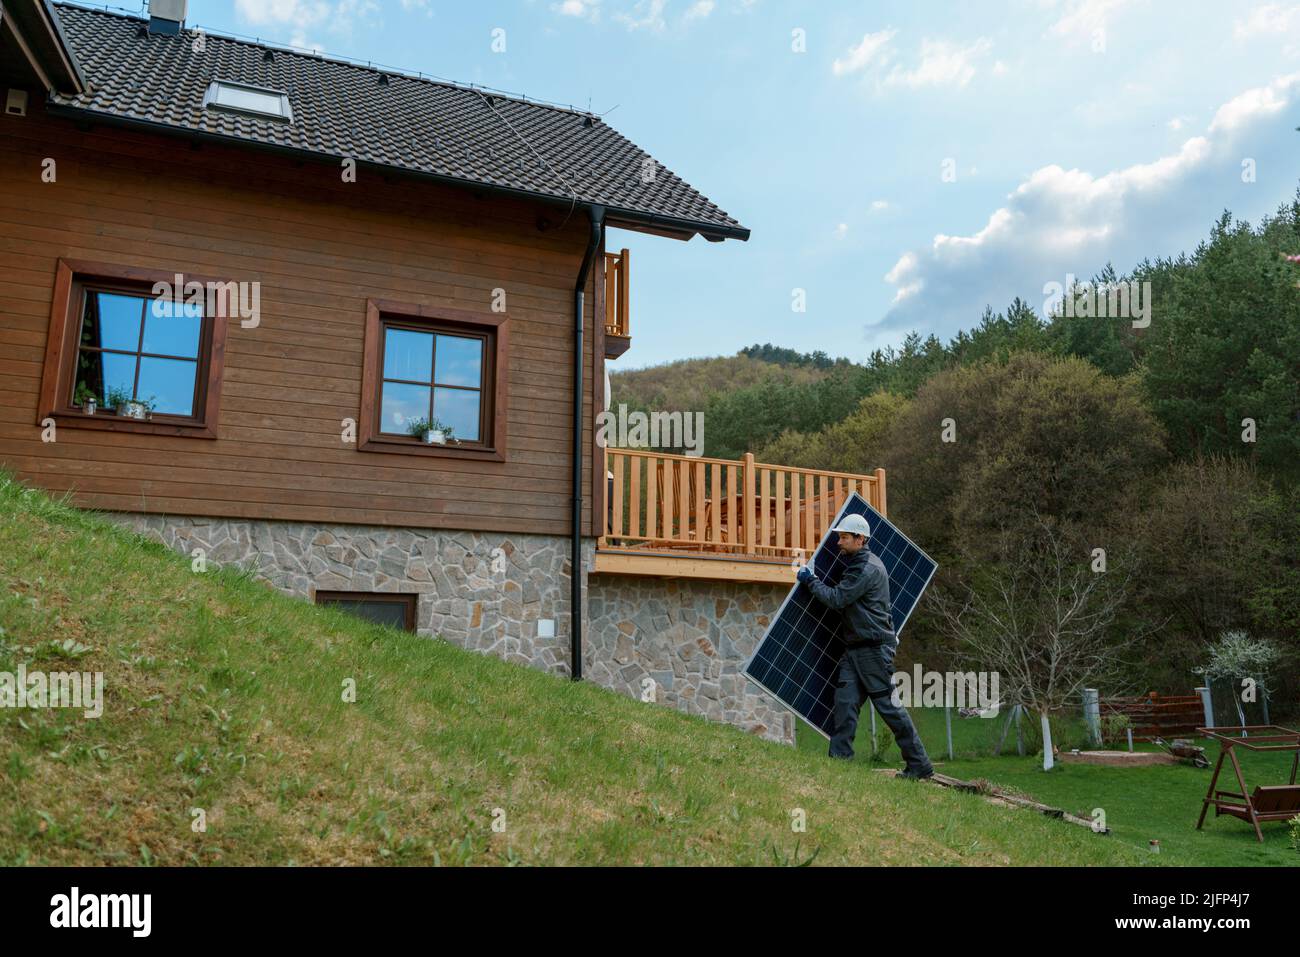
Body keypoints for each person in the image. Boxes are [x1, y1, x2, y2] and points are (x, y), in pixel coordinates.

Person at [796, 513, 935, 779]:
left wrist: (810, 580)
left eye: (844, 537)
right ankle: (839, 765)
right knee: (844, 706)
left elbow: (836, 599)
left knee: (890, 709)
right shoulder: (858, 563)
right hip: (855, 650)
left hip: (872, 651)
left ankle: (920, 765)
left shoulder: (866, 568)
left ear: (861, 539)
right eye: (839, 537)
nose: (838, 542)